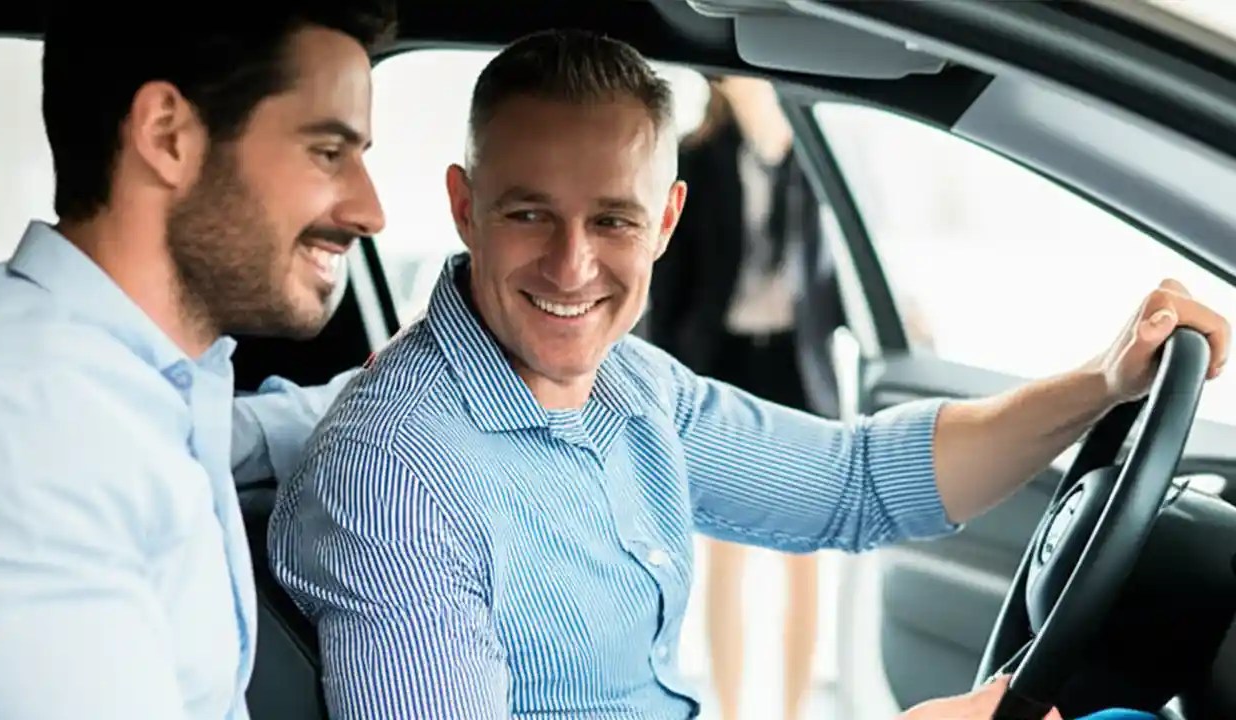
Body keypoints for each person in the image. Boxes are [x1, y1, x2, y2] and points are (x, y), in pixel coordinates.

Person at [269, 27, 1231, 720]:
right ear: (463, 207)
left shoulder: (633, 389)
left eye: (612, 221)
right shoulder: (397, 472)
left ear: (667, 222)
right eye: (528, 215)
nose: (571, 268)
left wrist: (1102, 384)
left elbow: (857, 481)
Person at [0, 2, 393, 717]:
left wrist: (414, 386)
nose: (369, 209)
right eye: (327, 152)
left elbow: (250, 430)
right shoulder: (25, 418)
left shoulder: (144, 378)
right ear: (168, 137)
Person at [649, 73, 838, 720]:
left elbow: (825, 266)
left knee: (803, 557)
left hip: (794, 364)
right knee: (724, 556)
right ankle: (729, 711)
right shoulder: (695, 158)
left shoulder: (810, 158)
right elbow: (667, 287)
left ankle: (792, 711)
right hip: (720, 360)